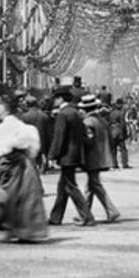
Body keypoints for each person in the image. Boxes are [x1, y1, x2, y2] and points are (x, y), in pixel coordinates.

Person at [0, 94, 48, 242]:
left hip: (11, 165)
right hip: (25, 164)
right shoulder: (22, 125)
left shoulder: (5, 126)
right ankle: (25, 230)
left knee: (5, 197)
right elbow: (32, 146)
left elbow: (5, 148)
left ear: (5, 109)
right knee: (24, 197)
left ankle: (11, 229)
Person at [47, 85, 94, 226]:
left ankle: (87, 216)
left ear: (60, 98)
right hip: (75, 154)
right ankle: (56, 217)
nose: (54, 101)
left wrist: (52, 155)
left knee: (71, 186)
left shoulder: (63, 114)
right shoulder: (75, 112)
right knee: (63, 187)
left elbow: (59, 137)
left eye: (55, 98)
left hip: (66, 155)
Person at [79, 95, 120, 223]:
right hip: (102, 156)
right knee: (91, 186)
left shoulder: (88, 122)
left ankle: (112, 211)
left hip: (92, 158)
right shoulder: (101, 120)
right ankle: (85, 214)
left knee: (95, 185)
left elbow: (88, 141)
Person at [19, 95, 52, 171]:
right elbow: (48, 131)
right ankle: (42, 166)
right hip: (42, 140)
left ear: (27, 104)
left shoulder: (24, 116)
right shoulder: (44, 116)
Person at [108, 97, 130, 170]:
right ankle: (124, 163)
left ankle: (114, 164)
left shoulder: (111, 113)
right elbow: (123, 124)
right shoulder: (121, 113)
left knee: (113, 149)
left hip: (112, 131)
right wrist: (125, 133)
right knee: (123, 149)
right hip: (119, 132)